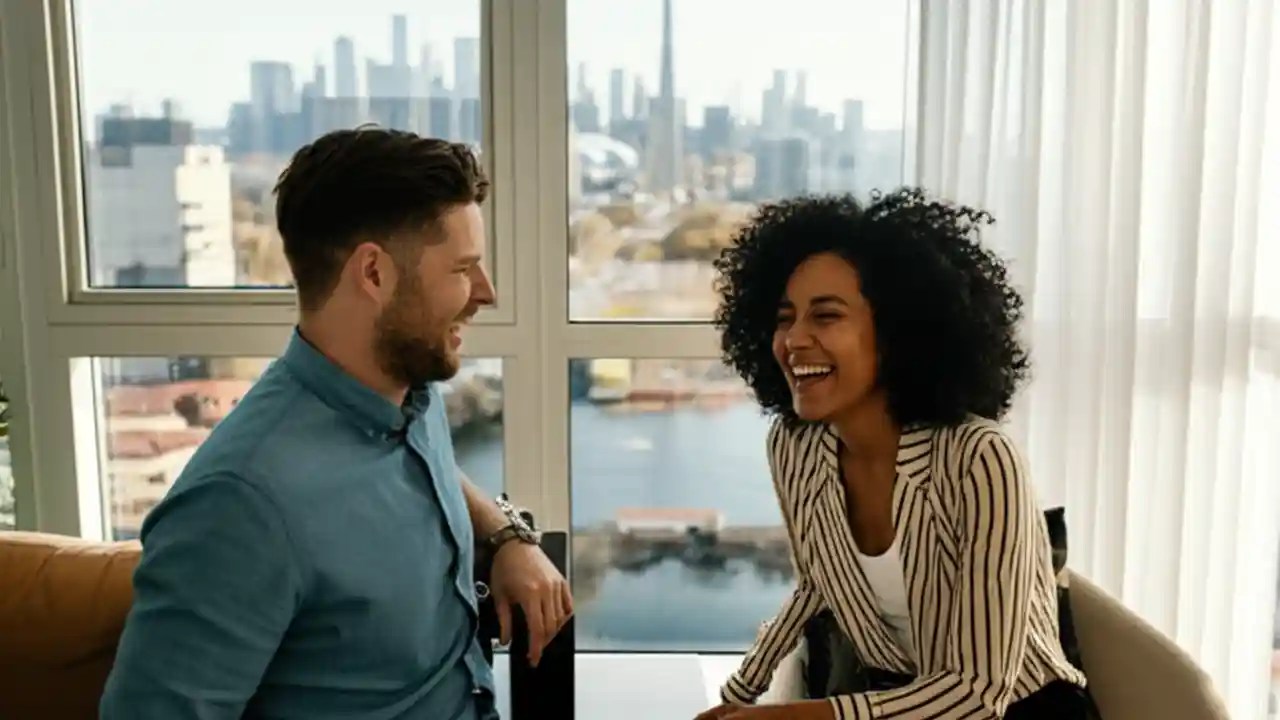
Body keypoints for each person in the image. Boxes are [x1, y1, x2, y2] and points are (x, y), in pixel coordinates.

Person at [101, 128, 572, 720]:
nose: (487, 292)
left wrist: (505, 536)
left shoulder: (404, 389)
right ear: (373, 273)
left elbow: (415, 474)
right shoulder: (239, 507)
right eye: (463, 268)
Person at [695, 190, 1091, 720]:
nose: (793, 339)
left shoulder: (979, 459)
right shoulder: (795, 446)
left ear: (897, 332)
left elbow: (977, 692)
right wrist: (737, 694)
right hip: (895, 704)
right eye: (785, 318)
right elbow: (816, 586)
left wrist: (792, 717)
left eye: (826, 316)